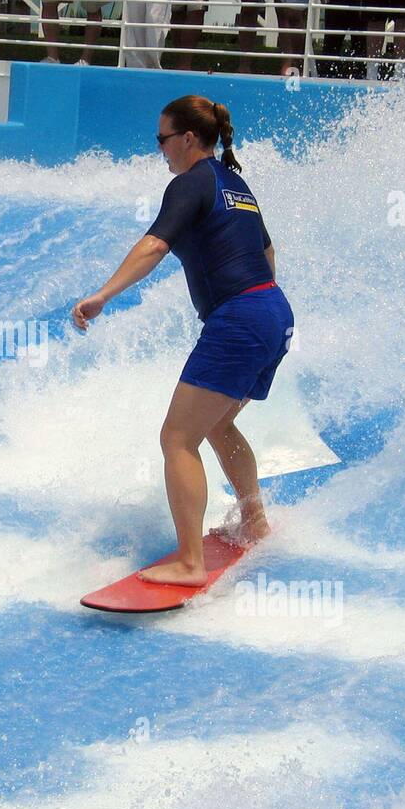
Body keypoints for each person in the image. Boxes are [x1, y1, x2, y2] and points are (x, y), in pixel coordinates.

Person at [72, 96, 292, 584]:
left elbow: (153, 245)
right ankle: (255, 521)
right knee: (218, 424)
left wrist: (102, 295)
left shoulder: (189, 183)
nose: (161, 150)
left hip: (241, 317)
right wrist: (255, 313)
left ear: (188, 138)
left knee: (177, 437)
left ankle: (191, 563)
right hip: (274, 311)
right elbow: (267, 251)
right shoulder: (236, 183)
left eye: (163, 139)